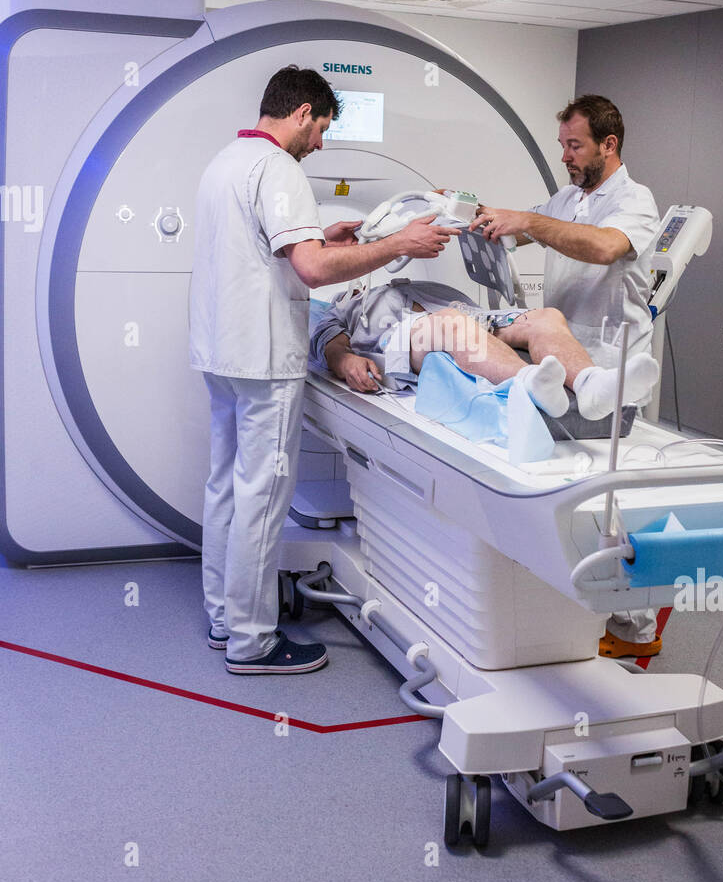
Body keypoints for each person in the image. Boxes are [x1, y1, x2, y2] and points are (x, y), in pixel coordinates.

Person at [188, 65, 457, 675]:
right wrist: (397, 247)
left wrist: (324, 234)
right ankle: (253, 642)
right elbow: (309, 272)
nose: (321, 144)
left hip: (221, 351)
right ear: (303, 112)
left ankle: (225, 617)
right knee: (263, 494)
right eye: (323, 128)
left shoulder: (226, 161)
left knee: (227, 485)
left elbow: (276, 250)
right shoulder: (279, 168)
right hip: (262, 355)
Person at [470, 94, 664, 659]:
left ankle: (635, 632)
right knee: (570, 491)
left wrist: (528, 220)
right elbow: (524, 228)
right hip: (561, 367)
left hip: (607, 368)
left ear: (609, 144)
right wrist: (468, 212)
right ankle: (568, 602)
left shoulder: (635, 201)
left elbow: (604, 247)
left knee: (613, 502)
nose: (565, 156)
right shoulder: (568, 197)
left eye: (574, 145)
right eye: (561, 145)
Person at [310, 279, 658, 422]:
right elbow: (330, 345)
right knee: (450, 323)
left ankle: (590, 384)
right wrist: (346, 361)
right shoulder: (342, 308)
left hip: (469, 315)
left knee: (545, 317)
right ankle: (531, 382)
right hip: (399, 341)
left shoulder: (408, 283)